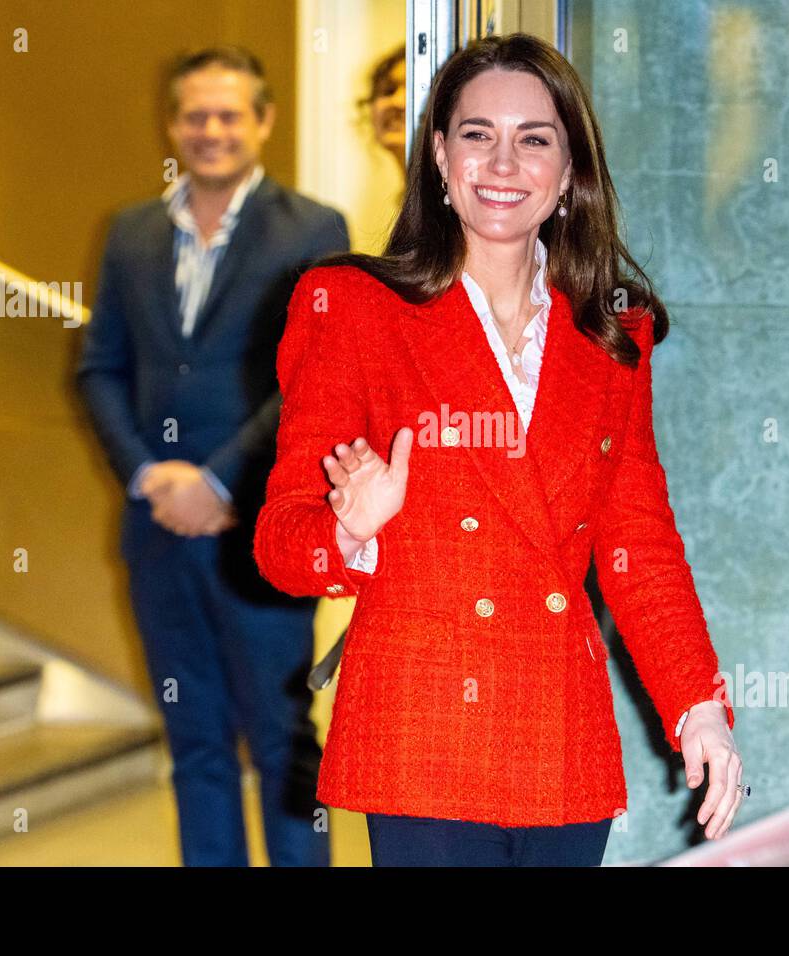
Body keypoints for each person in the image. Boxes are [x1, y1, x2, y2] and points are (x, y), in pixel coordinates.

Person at [253, 33, 742, 867]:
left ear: (569, 171)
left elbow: (640, 546)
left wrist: (697, 705)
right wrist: (351, 528)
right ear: (440, 157)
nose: (504, 163)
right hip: (423, 739)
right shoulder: (353, 308)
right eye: (478, 134)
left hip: (561, 739)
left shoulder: (612, 332)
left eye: (534, 139)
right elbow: (280, 548)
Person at [77, 46, 349, 866]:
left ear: (263, 122)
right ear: (172, 125)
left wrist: (221, 480)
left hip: (260, 532)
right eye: (195, 115)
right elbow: (99, 367)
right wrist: (147, 474)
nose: (211, 130)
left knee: (281, 740)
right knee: (194, 745)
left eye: (230, 114)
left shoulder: (314, 229)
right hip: (158, 529)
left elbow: (313, 381)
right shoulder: (129, 233)